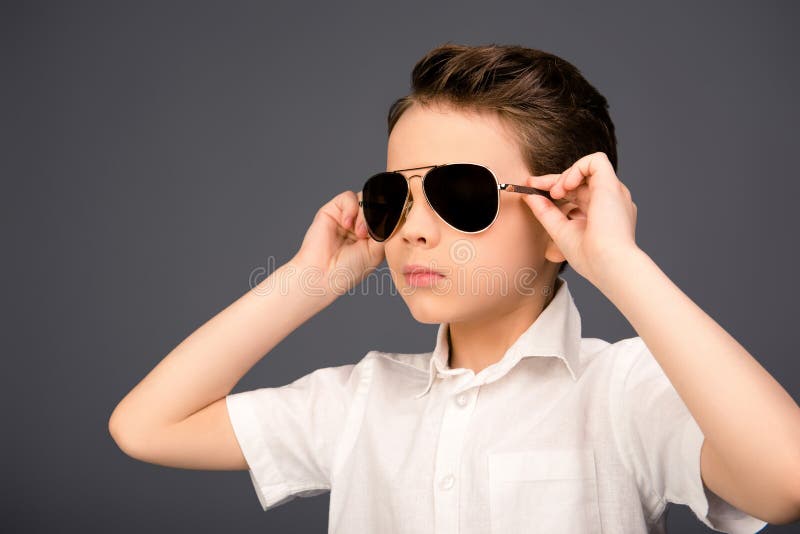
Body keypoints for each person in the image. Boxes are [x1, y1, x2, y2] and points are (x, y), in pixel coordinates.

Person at [108, 43, 800, 533]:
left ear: (559, 215)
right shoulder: (361, 403)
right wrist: (307, 281)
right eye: (392, 197)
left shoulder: (625, 394)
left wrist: (618, 261)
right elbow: (145, 427)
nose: (412, 230)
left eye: (459, 192)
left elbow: (786, 481)